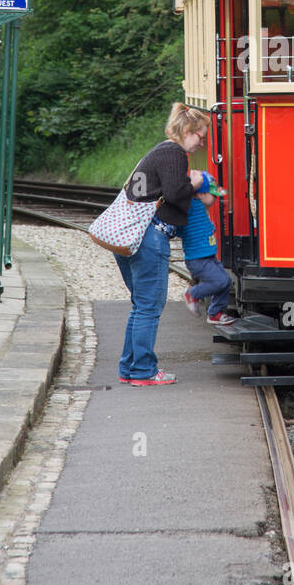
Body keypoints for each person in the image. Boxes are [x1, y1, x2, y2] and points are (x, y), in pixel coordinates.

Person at [114, 103, 211, 386]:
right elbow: (174, 193)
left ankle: (129, 367)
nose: (201, 143)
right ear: (187, 131)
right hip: (150, 236)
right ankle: (143, 371)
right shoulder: (174, 153)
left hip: (132, 236)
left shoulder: (160, 151)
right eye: (200, 137)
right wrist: (196, 183)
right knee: (149, 306)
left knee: (140, 304)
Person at [180, 187, 235, 327]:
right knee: (219, 281)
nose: (216, 199)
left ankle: (215, 313)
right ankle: (192, 294)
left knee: (227, 281)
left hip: (208, 257)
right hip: (198, 259)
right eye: (214, 196)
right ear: (202, 194)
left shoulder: (200, 207)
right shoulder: (192, 205)